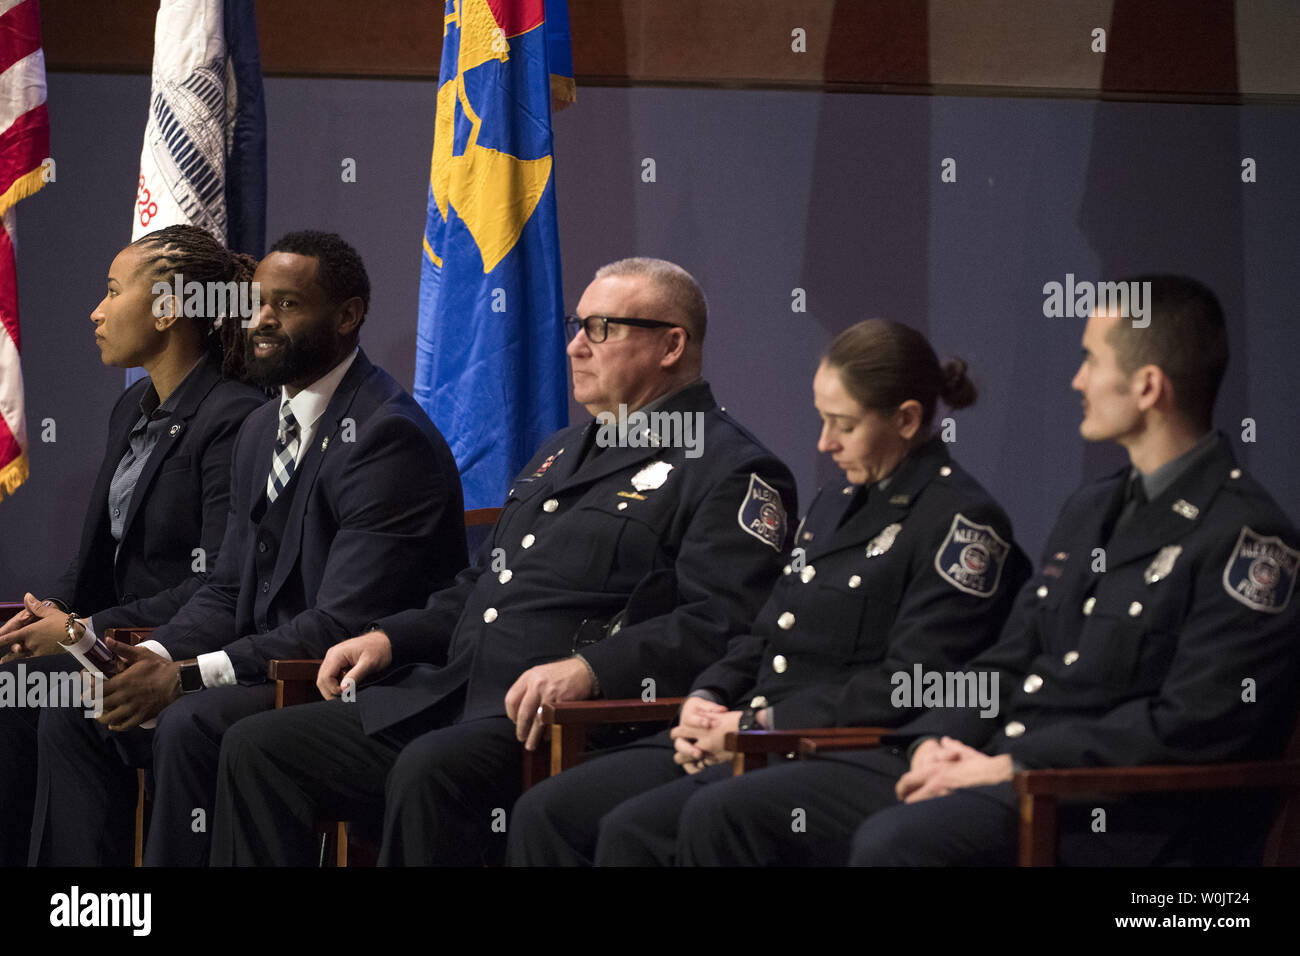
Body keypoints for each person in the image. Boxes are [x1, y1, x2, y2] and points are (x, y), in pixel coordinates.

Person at [674, 275, 1300, 866]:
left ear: (1148, 387)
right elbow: (1010, 659)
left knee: (899, 844)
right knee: (730, 813)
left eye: (1091, 361)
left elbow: (1193, 727)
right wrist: (935, 740)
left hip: (1117, 812)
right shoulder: (1093, 507)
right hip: (1013, 769)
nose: (1078, 380)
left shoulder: (1248, 539)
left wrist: (1009, 765)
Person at [210, 256, 798, 866]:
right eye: (576, 325)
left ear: (671, 344)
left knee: (432, 769)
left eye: (600, 329)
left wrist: (592, 669)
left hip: (568, 722)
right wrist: (390, 637)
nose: (575, 346)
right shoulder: (562, 450)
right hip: (454, 693)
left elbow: (722, 623)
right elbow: (483, 582)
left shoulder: (731, 468)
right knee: (259, 747)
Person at [507, 319, 1032, 865]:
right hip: (749, 726)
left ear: (906, 420)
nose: (824, 443)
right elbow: (765, 632)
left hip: (831, 745)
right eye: (822, 419)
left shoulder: (960, 521)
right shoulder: (836, 502)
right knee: (549, 812)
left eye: (843, 425)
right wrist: (707, 698)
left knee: (641, 829)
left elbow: (913, 682)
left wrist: (761, 725)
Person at [28, 230, 468, 866]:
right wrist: (149, 655)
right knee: (82, 708)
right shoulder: (265, 426)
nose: (261, 320)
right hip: (261, 667)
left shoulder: (385, 436)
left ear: (347, 316)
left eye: (286, 305)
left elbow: (339, 623)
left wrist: (183, 677)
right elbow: (228, 587)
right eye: (257, 303)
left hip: (350, 683)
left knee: (189, 721)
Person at [0, 225, 267, 866]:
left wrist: (83, 631)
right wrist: (44, 616)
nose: (96, 310)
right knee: (10, 684)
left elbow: (220, 582)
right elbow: (95, 554)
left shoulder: (234, 417)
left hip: (173, 648)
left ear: (169, 309)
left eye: (113, 291)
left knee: (61, 697)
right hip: (102, 640)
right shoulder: (132, 410)